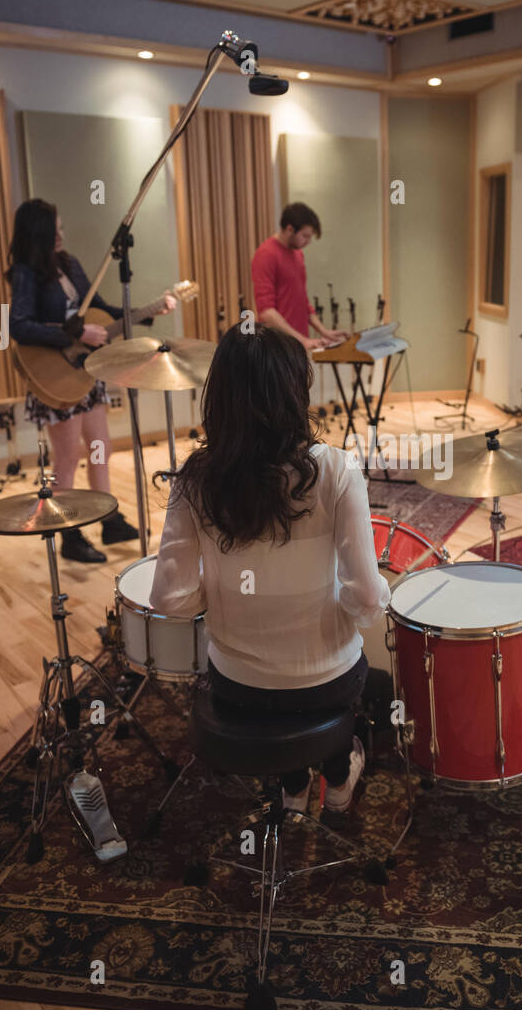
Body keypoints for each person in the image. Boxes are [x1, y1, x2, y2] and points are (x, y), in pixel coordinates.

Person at [150, 323, 390, 813]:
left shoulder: (194, 481)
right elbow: (367, 601)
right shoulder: (338, 470)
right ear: (294, 392)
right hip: (326, 681)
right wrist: (351, 600)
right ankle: (337, 778)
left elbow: (169, 601)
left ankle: (293, 785)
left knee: (276, 696)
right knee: (362, 680)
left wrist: (221, 593)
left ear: (219, 395)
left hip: (237, 686)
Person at [7, 198, 176, 563]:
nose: (61, 235)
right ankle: (69, 533)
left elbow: (101, 311)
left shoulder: (69, 265)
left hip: (86, 371)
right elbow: (18, 326)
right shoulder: (26, 272)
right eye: (55, 229)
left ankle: (108, 518)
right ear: (38, 232)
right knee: (68, 457)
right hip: (55, 376)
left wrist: (147, 311)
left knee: (101, 446)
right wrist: (75, 333)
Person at [251, 202, 347, 351]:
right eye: (305, 236)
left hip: (298, 344)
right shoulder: (266, 254)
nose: (308, 242)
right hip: (278, 345)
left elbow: (303, 302)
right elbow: (267, 312)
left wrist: (324, 331)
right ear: (290, 229)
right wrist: (303, 340)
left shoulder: (298, 254)